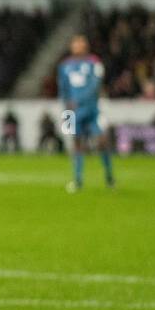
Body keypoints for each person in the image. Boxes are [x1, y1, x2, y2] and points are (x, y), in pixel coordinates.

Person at [57, 34, 114, 192]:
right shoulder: (64, 65)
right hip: (71, 111)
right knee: (76, 144)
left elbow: (96, 85)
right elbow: (63, 89)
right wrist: (66, 109)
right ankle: (77, 180)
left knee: (102, 141)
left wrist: (80, 101)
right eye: (75, 43)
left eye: (81, 43)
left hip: (93, 109)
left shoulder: (94, 62)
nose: (78, 45)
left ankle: (109, 177)